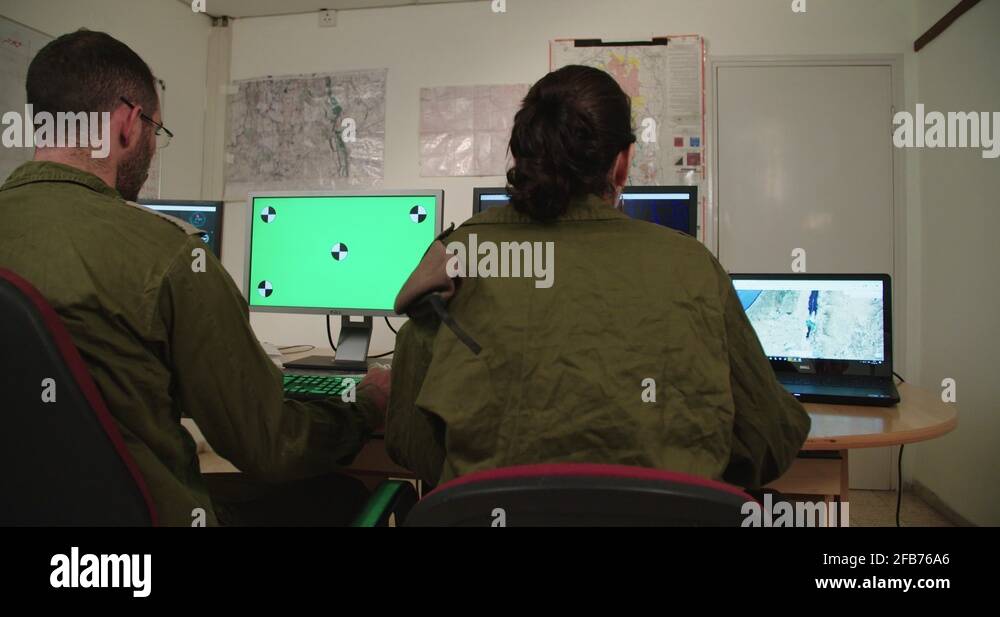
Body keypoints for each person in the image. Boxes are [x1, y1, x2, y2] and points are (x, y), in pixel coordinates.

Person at [0, 29, 390, 526]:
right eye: (157, 133)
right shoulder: (168, 254)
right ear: (127, 123)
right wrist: (366, 406)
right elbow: (271, 445)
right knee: (335, 495)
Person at [385, 65, 810, 491]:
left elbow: (411, 443)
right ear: (622, 163)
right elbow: (768, 440)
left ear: (521, 157)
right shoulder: (692, 265)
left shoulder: (458, 258)